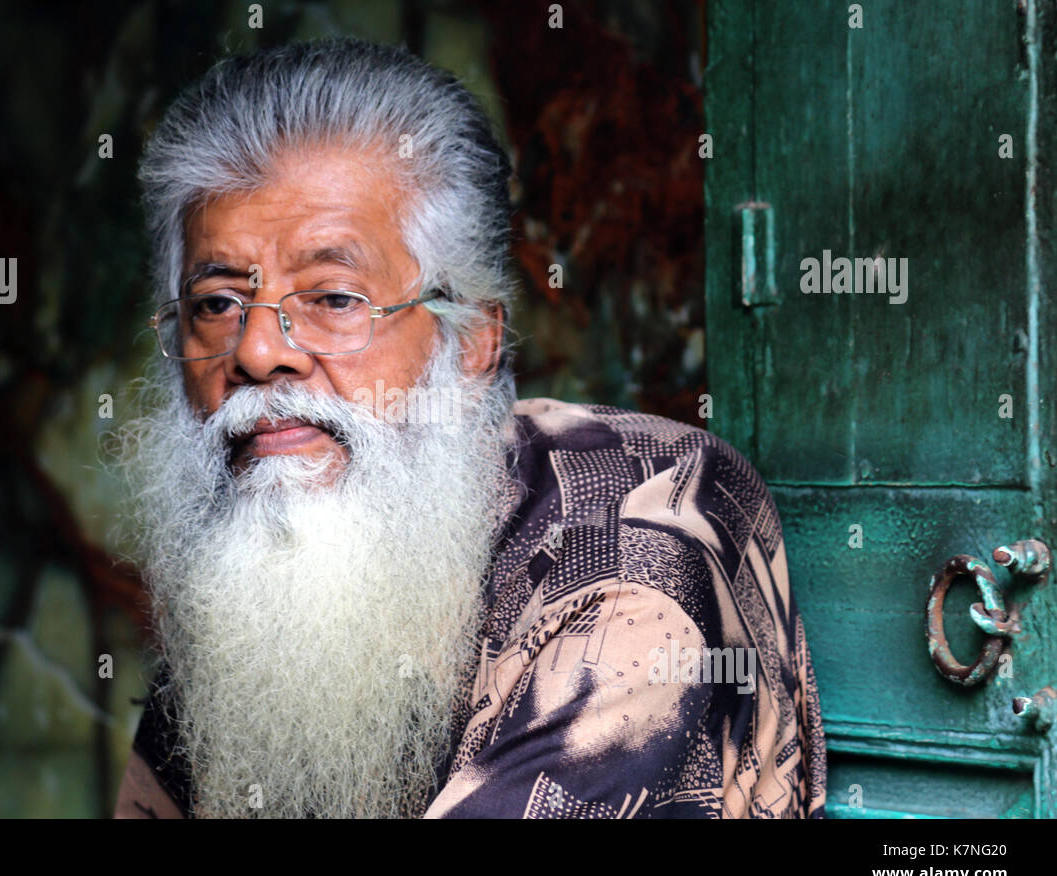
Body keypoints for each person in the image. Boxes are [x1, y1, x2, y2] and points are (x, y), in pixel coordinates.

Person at [111, 37, 826, 819]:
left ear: (474, 340)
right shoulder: (260, 568)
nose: (254, 350)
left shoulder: (634, 547)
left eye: (334, 299)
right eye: (216, 303)